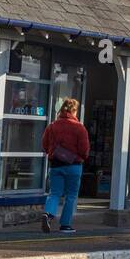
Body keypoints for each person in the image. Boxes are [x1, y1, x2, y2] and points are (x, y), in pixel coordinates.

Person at [41, 98, 90, 233]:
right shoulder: (80, 127)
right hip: (74, 165)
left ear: (62, 109)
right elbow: (84, 149)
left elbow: (44, 145)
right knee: (71, 196)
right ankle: (65, 225)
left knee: (54, 193)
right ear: (74, 111)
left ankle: (48, 213)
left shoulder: (52, 126)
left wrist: (54, 153)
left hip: (56, 165)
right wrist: (81, 157)